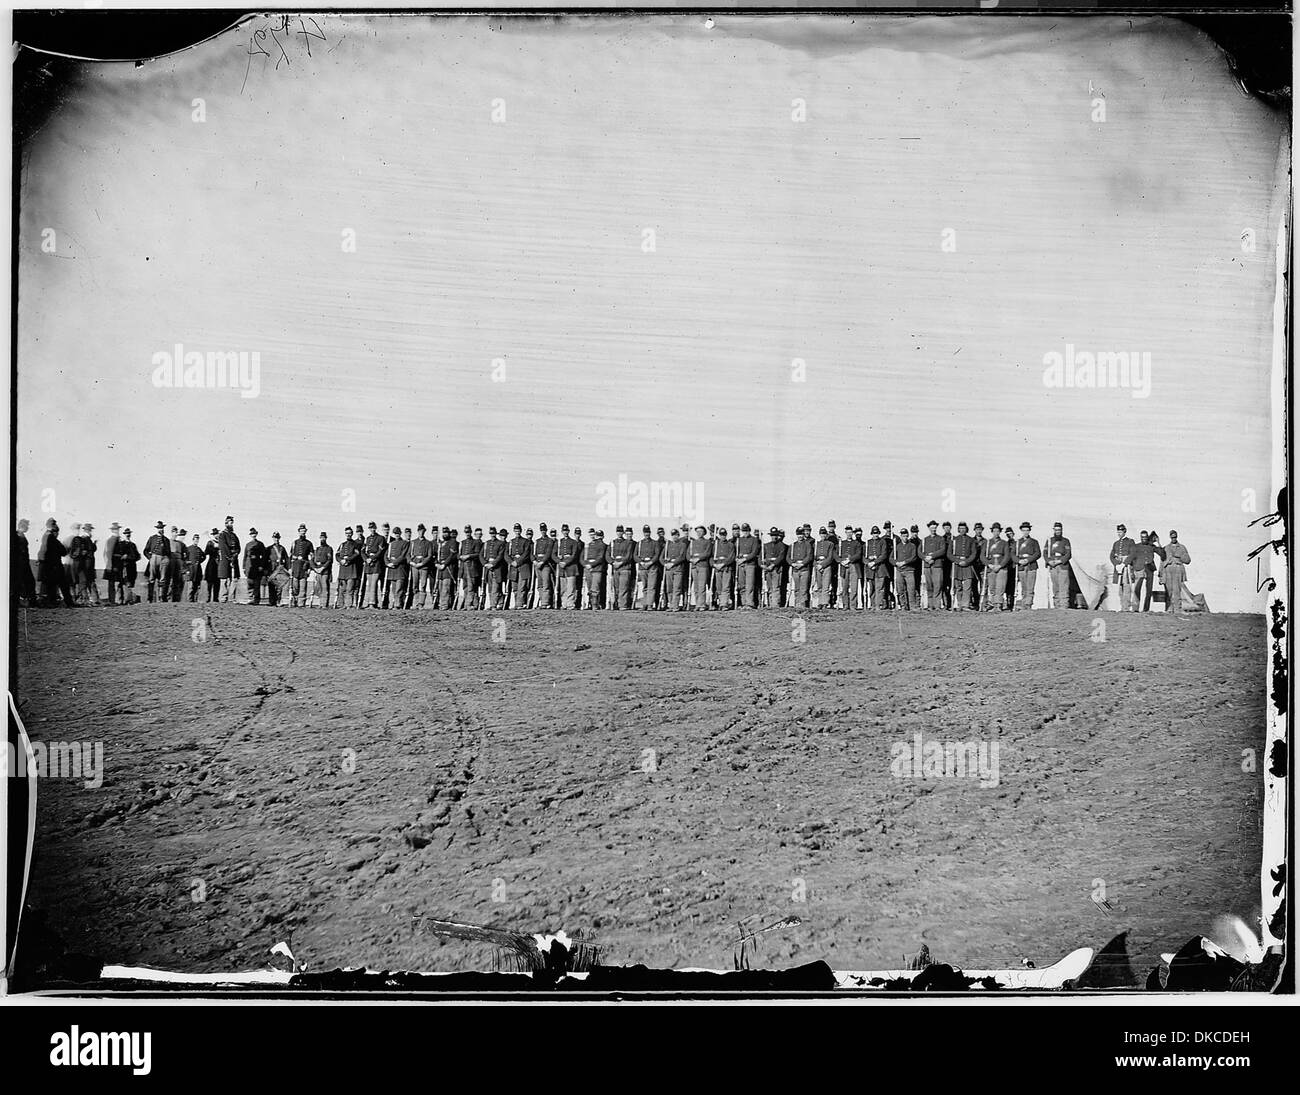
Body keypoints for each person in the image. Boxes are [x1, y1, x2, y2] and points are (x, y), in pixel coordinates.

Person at [37, 518, 74, 606]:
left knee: (51, 585)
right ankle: (68, 602)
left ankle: (51, 602)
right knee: (63, 584)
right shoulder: (52, 539)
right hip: (55, 565)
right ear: (55, 530)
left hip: (48, 565)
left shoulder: (45, 537)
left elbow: (43, 552)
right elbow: (63, 552)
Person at [981, 523, 1011, 612]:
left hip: (1001, 567)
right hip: (991, 566)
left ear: (1000, 532)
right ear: (992, 532)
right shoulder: (987, 543)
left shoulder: (1004, 543)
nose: (996, 533)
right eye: (994, 531)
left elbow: (1007, 556)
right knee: (992, 586)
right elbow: (982, 556)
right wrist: (989, 564)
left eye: (998, 531)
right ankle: (993, 604)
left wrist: (1000, 565)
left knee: (1000, 587)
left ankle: (998, 605)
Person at [69, 522, 101, 605]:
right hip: (86, 565)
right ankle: (88, 599)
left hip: (86, 564)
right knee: (86, 581)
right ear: (89, 530)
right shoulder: (85, 539)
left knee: (86, 581)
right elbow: (89, 551)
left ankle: (89, 599)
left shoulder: (85, 539)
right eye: (89, 530)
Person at [1160, 530, 1191, 614]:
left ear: (1177, 537)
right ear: (1170, 537)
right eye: (1172, 537)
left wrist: (1181, 556)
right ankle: (1169, 609)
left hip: (1177, 569)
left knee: (1177, 590)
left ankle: (1178, 609)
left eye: (1175, 537)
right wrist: (1160, 575)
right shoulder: (1166, 548)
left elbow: (1188, 560)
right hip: (1168, 570)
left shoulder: (1182, 547)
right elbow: (1162, 561)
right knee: (1168, 590)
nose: (1173, 538)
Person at [950, 522, 979, 611]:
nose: (962, 530)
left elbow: (974, 553)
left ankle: (965, 605)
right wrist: (958, 561)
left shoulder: (971, 540)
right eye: (960, 528)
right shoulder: (954, 540)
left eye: (964, 528)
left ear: (966, 529)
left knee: (967, 585)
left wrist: (966, 561)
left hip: (967, 565)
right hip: (957, 565)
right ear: (958, 529)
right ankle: (959, 604)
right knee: (958, 586)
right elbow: (949, 554)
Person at [1044, 522, 1073, 609]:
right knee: (1055, 586)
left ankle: (1064, 605)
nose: (1058, 532)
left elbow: (1068, 554)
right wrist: (1049, 561)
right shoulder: (1049, 541)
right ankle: (1057, 605)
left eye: (1059, 530)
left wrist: (1060, 561)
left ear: (1062, 530)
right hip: (1053, 566)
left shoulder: (1065, 541)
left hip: (1062, 566)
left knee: (1063, 585)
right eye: (1056, 530)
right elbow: (1045, 553)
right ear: (1054, 530)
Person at [1109, 523, 1136, 611]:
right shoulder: (1116, 543)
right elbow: (1111, 555)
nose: (1119, 534)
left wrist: (1124, 564)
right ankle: (1122, 606)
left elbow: (1132, 554)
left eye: (1121, 532)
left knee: (1127, 586)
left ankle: (1126, 608)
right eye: (1118, 532)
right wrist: (1116, 564)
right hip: (1118, 567)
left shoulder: (1130, 541)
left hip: (1126, 566)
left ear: (1124, 532)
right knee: (1120, 588)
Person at [1014, 522, 1041, 610]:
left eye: (1027, 530)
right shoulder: (1018, 542)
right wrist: (1019, 561)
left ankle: (1028, 604)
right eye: (1024, 530)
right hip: (1021, 566)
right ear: (1021, 531)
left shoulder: (1034, 542)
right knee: (1024, 586)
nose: (1026, 532)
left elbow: (1037, 553)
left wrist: (1028, 560)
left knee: (1030, 586)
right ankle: (1024, 603)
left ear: (1029, 531)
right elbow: (1012, 554)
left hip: (1031, 566)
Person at [607, 526, 635, 610]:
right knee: (616, 588)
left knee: (624, 588)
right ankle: (616, 604)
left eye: (620, 531)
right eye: (618, 531)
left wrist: (620, 563)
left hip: (625, 568)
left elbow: (628, 556)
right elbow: (607, 555)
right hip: (615, 568)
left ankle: (622, 605)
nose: (619, 533)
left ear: (623, 533)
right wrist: (612, 562)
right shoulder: (613, 543)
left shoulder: (628, 543)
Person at [635, 524, 663, 610]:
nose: (646, 534)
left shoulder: (655, 543)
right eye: (645, 532)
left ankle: (650, 604)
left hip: (652, 567)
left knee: (652, 586)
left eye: (648, 532)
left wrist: (650, 562)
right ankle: (645, 604)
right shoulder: (639, 543)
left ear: (650, 533)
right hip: (643, 568)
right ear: (643, 533)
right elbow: (635, 555)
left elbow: (657, 554)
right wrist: (641, 562)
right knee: (645, 586)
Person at [1128, 532, 1157, 611]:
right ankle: (1135, 608)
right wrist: (1131, 571)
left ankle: (1146, 609)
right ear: (1140, 538)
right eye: (1142, 537)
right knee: (1137, 589)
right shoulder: (1136, 547)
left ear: (1147, 537)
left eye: (1145, 537)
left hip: (1150, 570)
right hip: (1139, 569)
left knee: (1149, 591)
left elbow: (1162, 553)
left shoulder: (1152, 546)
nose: (1144, 539)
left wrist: (1158, 542)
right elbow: (1131, 559)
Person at [921, 520, 947, 611]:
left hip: (937, 565)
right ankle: (930, 605)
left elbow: (943, 550)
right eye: (931, 528)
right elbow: (919, 552)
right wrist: (926, 558)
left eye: (935, 527)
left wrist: (932, 556)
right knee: (929, 585)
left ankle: (937, 605)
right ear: (929, 528)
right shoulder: (925, 540)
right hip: (927, 566)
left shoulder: (940, 539)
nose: (933, 529)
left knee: (937, 585)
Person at [143, 521, 171, 603]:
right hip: (154, 558)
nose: (161, 530)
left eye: (162, 528)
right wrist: (150, 558)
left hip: (163, 559)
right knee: (151, 578)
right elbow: (145, 550)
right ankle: (150, 598)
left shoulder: (166, 540)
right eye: (159, 528)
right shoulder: (152, 538)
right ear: (157, 529)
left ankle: (161, 597)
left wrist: (166, 560)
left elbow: (169, 552)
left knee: (162, 579)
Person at [662, 526, 689, 611]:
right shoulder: (668, 545)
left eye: (676, 535)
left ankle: (675, 606)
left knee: (676, 588)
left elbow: (682, 557)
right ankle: (671, 605)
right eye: (673, 535)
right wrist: (665, 564)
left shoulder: (682, 545)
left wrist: (672, 563)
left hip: (678, 569)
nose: (674, 537)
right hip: (668, 570)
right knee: (669, 588)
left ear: (678, 535)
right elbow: (661, 558)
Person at [893, 524, 918, 611]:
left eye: (906, 536)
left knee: (911, 589)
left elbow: (914, 557)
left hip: (909, 570)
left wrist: (904, 562)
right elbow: (891, 558)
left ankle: (912, 606)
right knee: (900, 590)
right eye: (903, 536)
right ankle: (903, 606)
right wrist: (896, 563)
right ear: (900, 536)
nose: (905, 538)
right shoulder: (897, 546)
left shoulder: (912, 546)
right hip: (899, 570)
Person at [385, 526, 412, 610]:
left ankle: (398, 604)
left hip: (400, 569)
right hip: (392, 570)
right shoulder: (391, 544)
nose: (396, 535)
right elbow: (386, 555)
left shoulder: (405, 543)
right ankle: (395, 603)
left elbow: (403, 555)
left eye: (398, 533)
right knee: (393, 589)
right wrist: (388, 563)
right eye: (395, 533)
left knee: (399, 588)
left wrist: (394, 563)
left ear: (400, 533)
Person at [408, 524, 434, 609]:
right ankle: (415, 602)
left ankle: (421, 603)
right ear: (417, 531)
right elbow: (408, 555)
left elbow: (429, 556)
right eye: (419, 531)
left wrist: (422, 563)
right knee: (415, 585)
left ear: (424, 532)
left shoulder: (428, 543)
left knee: (422, 585)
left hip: (423, 567)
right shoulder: (413, 542)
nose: (421, 533)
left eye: (422, 531)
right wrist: (411, 562)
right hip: (414, 566)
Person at [711, 527, 737, 610]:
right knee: (718, 587)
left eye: (724, 535)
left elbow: (731, 557)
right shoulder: (716, 545)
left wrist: (723, 564)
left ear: (726, 535)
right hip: (717, 569)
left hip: (726, 568)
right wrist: (714, 565)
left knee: (726, 587)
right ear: (719, 535)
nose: (723, 537)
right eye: (721, 535)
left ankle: (724, 604)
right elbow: (711, 557)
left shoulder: (730, 545)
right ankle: (720, 602)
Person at [556, 524, 581, 609]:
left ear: (569, 531)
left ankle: (570, 604)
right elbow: (553, 554)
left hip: (571, 567)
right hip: (561, 568)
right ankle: (564, 604)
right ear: (562, 531)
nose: (565, 532)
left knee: (571, 587)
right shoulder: (559, 542)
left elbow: (574, 555)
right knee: (563, 588)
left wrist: (565, 562)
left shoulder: (574, 542)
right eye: (564, 531)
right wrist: (559, 561)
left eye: (566, 531)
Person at [533, 522, 557, 609]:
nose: (543, 531)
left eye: (544, 530)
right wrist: (534, 561)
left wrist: (542, 562)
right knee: (540, 584)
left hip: (545, 565)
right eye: (541, 530)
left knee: (546, 584)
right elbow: (533, 553)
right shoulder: (538, 541)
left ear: (546, 530)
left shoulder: (550, 541)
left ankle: (545, 603)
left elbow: (548, 553)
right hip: (537, 564)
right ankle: (542, 601)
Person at [333, 528, 360, 608]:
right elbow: (337, 555)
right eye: (347, 533)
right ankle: (341, 605)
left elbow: (356, 555)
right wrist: (341, 560)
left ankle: (348, 605)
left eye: (350, 533)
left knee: (349, 589)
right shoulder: (342, 545)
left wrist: (347, 559)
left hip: (351, 569)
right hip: (343, 570)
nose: (348, 534)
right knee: (342, 589)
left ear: (352, 534)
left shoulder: (355, 544)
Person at [13, 519, 36, 606]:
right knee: (24, 582)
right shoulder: (17, 536)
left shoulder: (20, 535)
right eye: (27, 525)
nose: (28, 527)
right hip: (20, 564)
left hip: (24, 563)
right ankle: (25, 601)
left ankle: (30, 601)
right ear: (22, 526)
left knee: (29, 582)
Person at [114, 528, 141, 604]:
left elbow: (137, 556)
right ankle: (120, 600)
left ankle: (127, 600)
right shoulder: (120, 544)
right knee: (122, 583)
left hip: (131, 567)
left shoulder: (133, 545)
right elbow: (117, 555)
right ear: (124, 534)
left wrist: (128, 556)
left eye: (129, 533)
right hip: (122, 566)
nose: (128, 534)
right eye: (126, 533)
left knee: (128, 583)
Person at [433, 527, 457, 608]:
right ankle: (440, 604)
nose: (445, 534)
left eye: (446, 533)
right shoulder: (440, 543)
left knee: (446, 588)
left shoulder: (452, 542)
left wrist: (444, 564)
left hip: (448, 568)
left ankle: (445, 605)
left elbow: (452, 555)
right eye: (443, 533)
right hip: (440, 569)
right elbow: (436, 555)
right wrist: (436, 563)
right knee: (440, 587)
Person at [218, 516, 241, 603]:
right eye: (230, 523)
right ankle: (223, 598)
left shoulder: (234, 536)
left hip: (234, 559)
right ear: (226, 523)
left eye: (232, 523)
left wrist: (235, 555)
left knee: (234, 579)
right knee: (224, 579)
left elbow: (238, 547)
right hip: (225, 560)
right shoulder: (222, 535)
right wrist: (229, 557)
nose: (231, 524)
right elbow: (223, 547)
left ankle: (232, 598)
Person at [243, 529, 269, 605]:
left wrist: (261, 565)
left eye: (254, 534)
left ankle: (256, 599)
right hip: (249, 565)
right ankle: (250, 598)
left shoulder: (260, 544)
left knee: (257, 584)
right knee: (250, 583)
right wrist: (244, 567)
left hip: (257, 566)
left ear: (256, 534)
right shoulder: (248, 544)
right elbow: (245, 556)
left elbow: (264, 556)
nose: (253, 535)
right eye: (252, 534)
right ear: (250, 535)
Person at [813, 527, 836, 609]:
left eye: (824, 534)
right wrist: (817, 565)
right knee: (819, 586)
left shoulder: (830, 544)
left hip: (826, 565)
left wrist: (822, 565)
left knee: (826, 585)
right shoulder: (816, 544)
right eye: (821, 533)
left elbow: (830, 557)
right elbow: (813, 557)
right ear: (819, 534)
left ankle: (825, 602)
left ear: (826, 534)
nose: (823, 535)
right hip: (817, 566)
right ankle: (820, 602)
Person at [266, 532, 291, 606]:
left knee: (279, 586)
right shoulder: (269, 548)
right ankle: (271, 601)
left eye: (277, 538)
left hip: (279, 569)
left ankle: (278, 601)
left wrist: (288, 568)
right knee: (271, 585)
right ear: (273, 538)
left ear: (279, 538)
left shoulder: (282, 548)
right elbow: (265, 559)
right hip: (271, 568)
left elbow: (286, 559)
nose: (276, 539)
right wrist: (265, 569)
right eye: (274, 538)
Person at [311, 532, 334, 608]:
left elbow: (329, 560)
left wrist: (322, 568)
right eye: (321, 538)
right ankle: (320, 603)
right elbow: (312, 560)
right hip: (317, 570)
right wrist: (315, 568)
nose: (322, 539)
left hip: (325, 571)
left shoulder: (329, 549)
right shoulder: (317, 549)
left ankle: (324, 604)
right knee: (319, 588)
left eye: (323, 537)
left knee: (325, 588)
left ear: (326, 538)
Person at [103, 522, 121, 606]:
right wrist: (109, 565)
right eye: (115, 529)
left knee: (114, 583)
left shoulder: (117, 539)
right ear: (113, 530)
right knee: (112, 583)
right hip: (113, 564)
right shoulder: (112, 539)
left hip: (116, 564)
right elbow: (108, 553)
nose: (117, 531)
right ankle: (112, 600)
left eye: (117, 529)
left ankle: (114, 600)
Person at [202, 530, 222, 603]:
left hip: (219, 564)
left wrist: (219, 548)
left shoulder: (221, 542)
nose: (216, 535)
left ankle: (216, 598)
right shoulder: (210, 542)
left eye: (217, 534)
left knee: (217, 582)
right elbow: (206, 552)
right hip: (211, 563)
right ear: (213, 535)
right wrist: (213, 548)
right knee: (210, 582)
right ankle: (208, 597)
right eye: (215, 534)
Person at [186, 533, 205, 601]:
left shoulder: (199, 549)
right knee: (191, 586)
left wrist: (199, 561)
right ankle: (189, 600)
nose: (196, 541)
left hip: (198, 570)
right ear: (193, 540)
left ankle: (195, 600)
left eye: (197, 539)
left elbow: (204, 556)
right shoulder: (188, 548)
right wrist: (188, 566)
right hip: (191, 570)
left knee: (197, 586)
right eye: (195, 539)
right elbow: (185, 559)